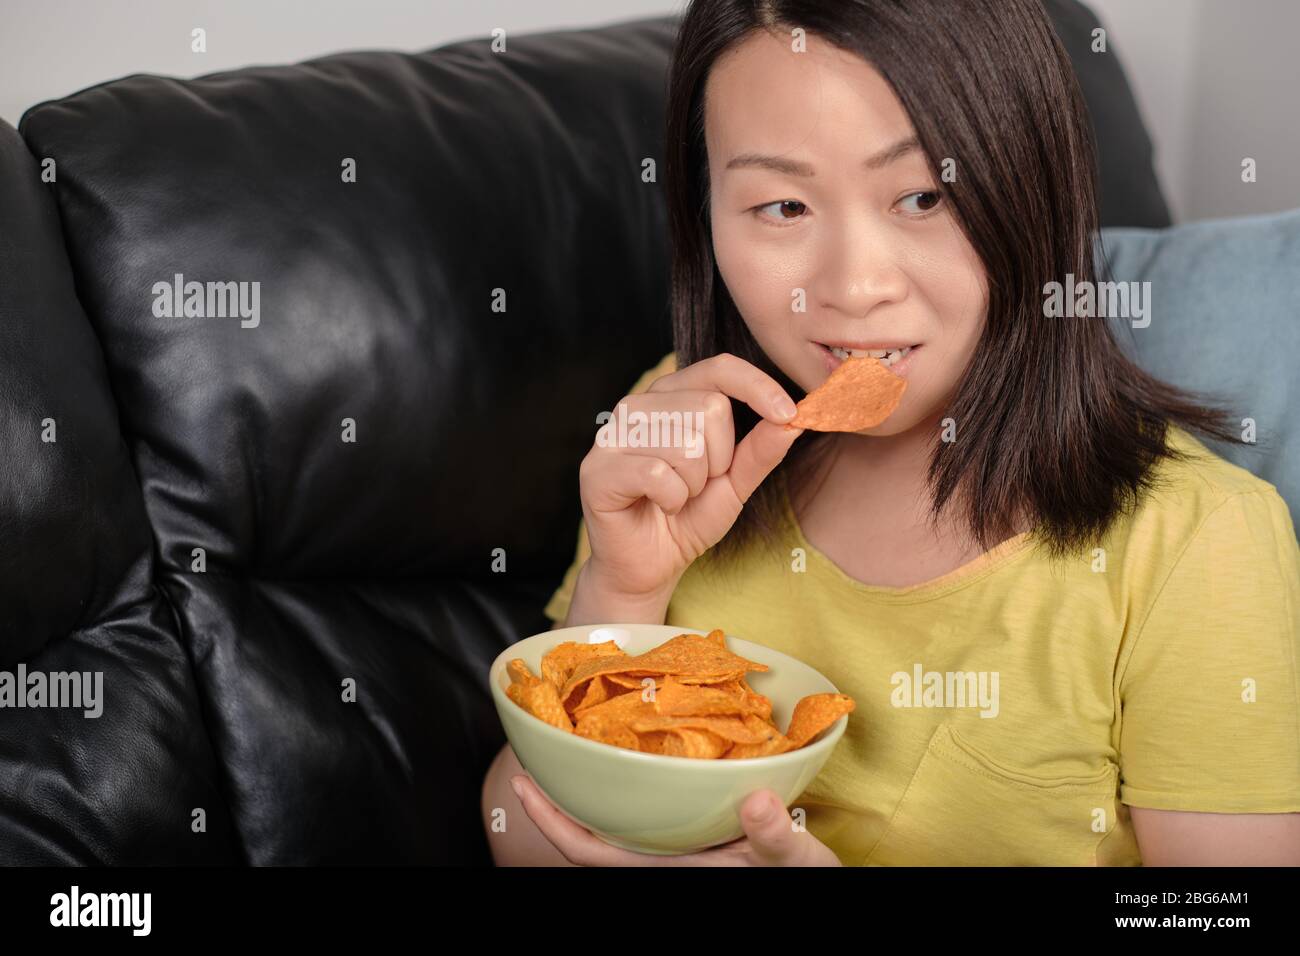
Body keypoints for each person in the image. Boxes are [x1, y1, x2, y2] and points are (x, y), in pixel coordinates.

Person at [481, 0, 1300, 866]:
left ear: (1033, 191)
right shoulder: (684, 432)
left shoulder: (1198, 544)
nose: (853, 285)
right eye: (783, 207)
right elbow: (515, 832)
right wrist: (624, 592)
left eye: (921, 196)